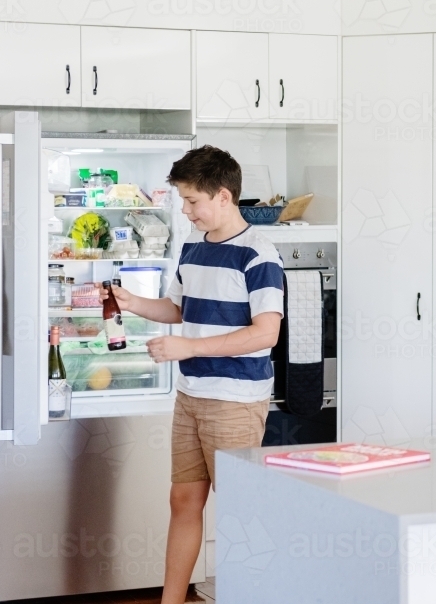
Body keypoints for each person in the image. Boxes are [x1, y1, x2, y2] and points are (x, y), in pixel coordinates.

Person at [100, 145, 283, 604]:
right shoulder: (193, 247)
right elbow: (179, 309)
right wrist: (134, 302)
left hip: (235, 400)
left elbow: (266, 334)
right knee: (183, 503)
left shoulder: (258, 254)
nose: (185, 210)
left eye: (192, 201)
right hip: (192, 395)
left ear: (223, 196)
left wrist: (189, 347)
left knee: (240, 514)